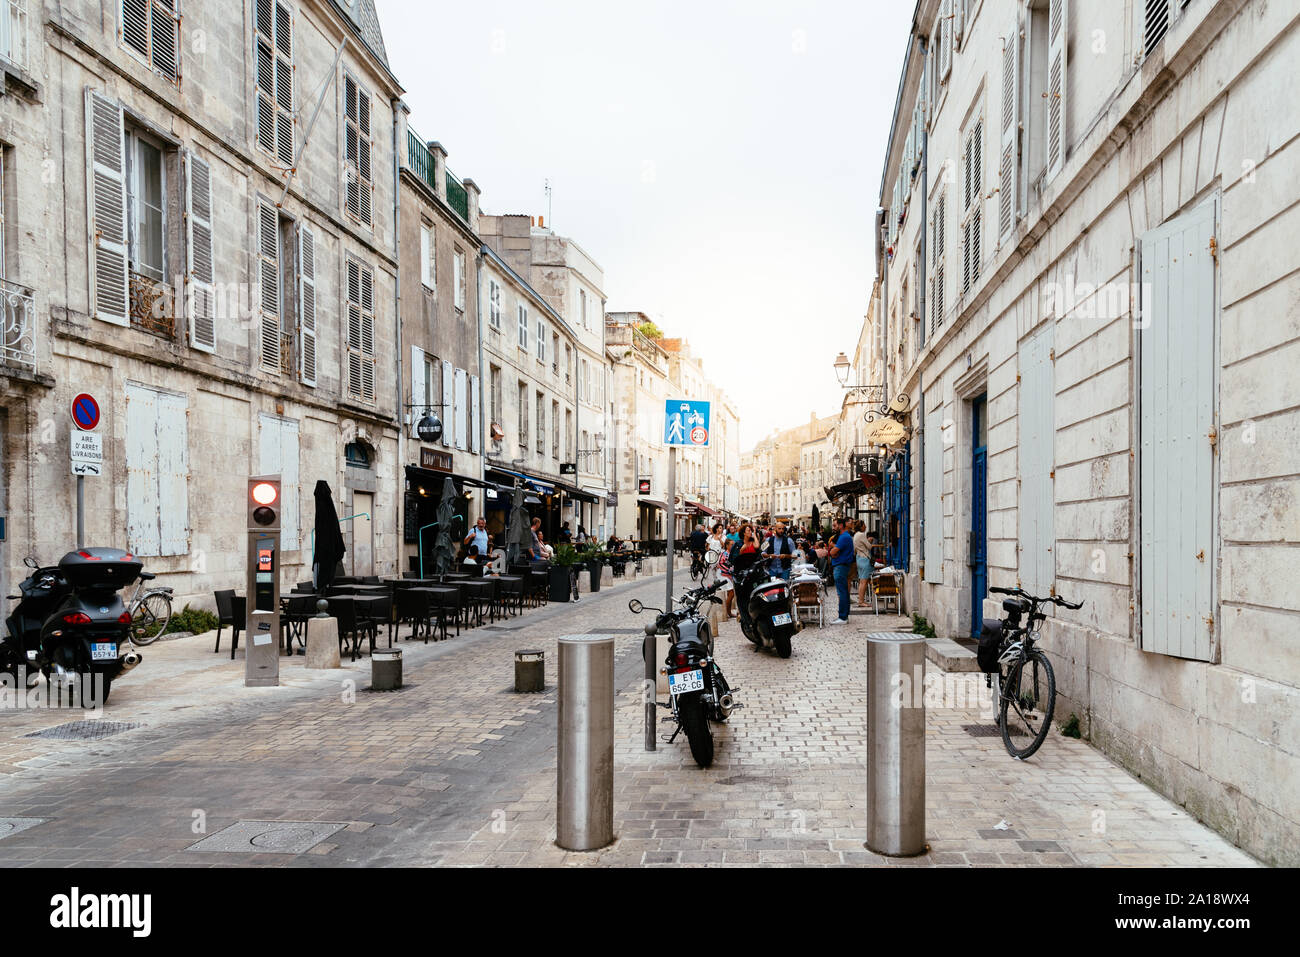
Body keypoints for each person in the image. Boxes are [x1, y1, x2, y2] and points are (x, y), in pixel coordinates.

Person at [828, 517, 855, 625]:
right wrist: (834, 552)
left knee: (842, 592)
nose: (834, 528)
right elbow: (834, 552)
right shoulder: (844, 537)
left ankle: (842, 617)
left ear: (841, 525)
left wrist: (833, 551)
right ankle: (844, 615)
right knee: (843, 591)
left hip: (840, 566)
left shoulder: (844, 537)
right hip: (842, 565)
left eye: (835, 525)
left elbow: (832, 552)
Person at [854, 521, 875, 608]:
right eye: (864, 525)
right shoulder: (861, 535)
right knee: (864, 582)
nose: (866, 526)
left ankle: (861, 600)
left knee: (861, 581)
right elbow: (869, 547)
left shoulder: (855, 535)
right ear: (861, 526)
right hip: (865, 559)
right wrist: (870, 540)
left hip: (859, 558)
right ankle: (861, 601)